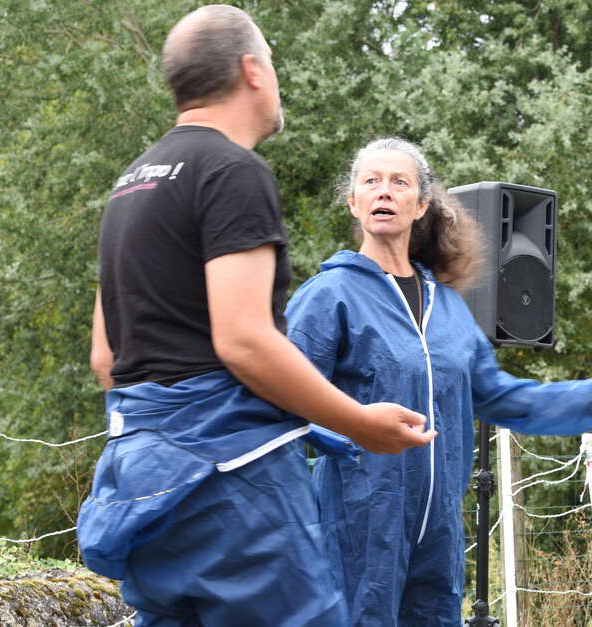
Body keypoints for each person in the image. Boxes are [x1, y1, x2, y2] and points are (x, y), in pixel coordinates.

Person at [77, 7, 435, 625]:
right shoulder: (231, 172)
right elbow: (243, 340)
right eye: (272, 61)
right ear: (251, 71)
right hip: (233, 483)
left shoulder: (130, 186)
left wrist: (166, 437)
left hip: (140, 475)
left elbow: (106, 359)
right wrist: (358, 423)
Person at [284, 137, 592, 625]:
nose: (384, 191)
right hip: (357, 525)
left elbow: (496, 395)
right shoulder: (328, 295)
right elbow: (281, 401)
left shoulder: (450, 310)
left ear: (421, 205)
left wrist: (584, 397)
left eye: (400, 182)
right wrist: (343, 447)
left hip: (438, 531)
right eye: (370, 181)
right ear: (353, 201)